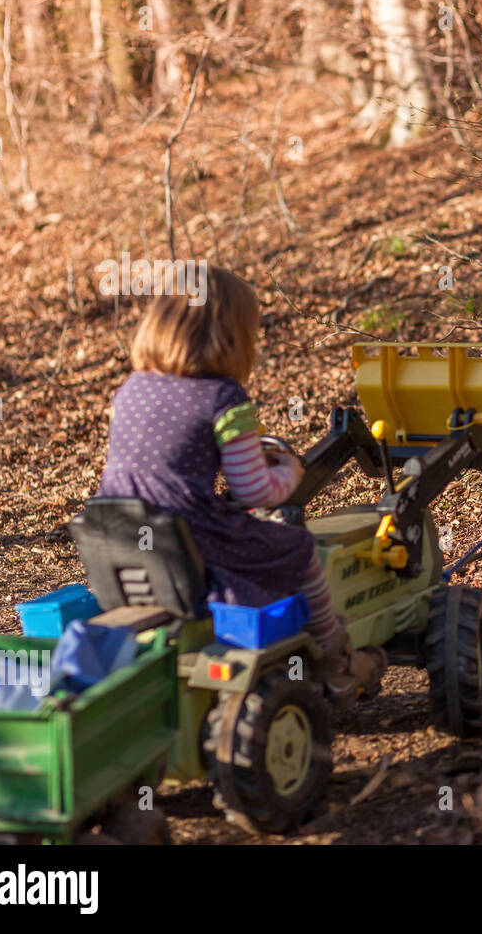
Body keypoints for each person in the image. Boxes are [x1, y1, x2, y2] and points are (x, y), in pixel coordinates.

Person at [96, 263, 382, 705]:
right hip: (190, 536)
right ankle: (334, 658)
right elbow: (254, 492)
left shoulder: (130, 389)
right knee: (297, 549)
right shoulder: (223, 399)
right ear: (231, 336)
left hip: (115, 532)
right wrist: (289, 471)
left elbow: (157, 457)